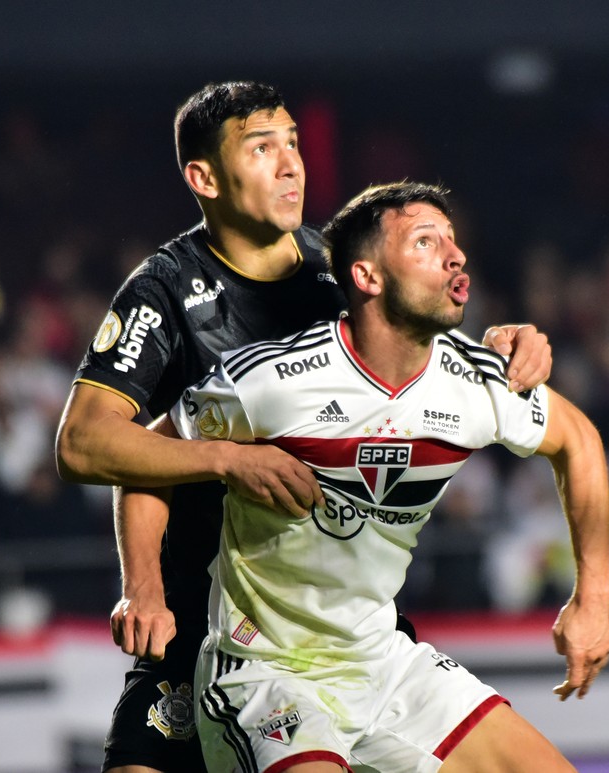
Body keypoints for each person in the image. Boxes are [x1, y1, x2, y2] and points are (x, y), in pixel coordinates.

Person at [54, 82, 553, 773]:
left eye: (293, 142)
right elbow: (89, 443)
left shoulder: (342, 273)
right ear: (204, 178)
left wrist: (510, 340)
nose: (292, 163)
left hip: (338, 626)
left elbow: (433, 345)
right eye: (263, 148)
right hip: (201, 622)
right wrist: (149, 577)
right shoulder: (166, 290)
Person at [144, 181, 609, 772]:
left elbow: (579, 441)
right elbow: (142, 458)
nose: (454, 254)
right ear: (367, 277)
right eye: (425, 241)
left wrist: (592, 598)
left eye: (452, 239)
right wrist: (143, 588)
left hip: (382, 663)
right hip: (267, 673)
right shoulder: (274, 381)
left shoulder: (479, 383)